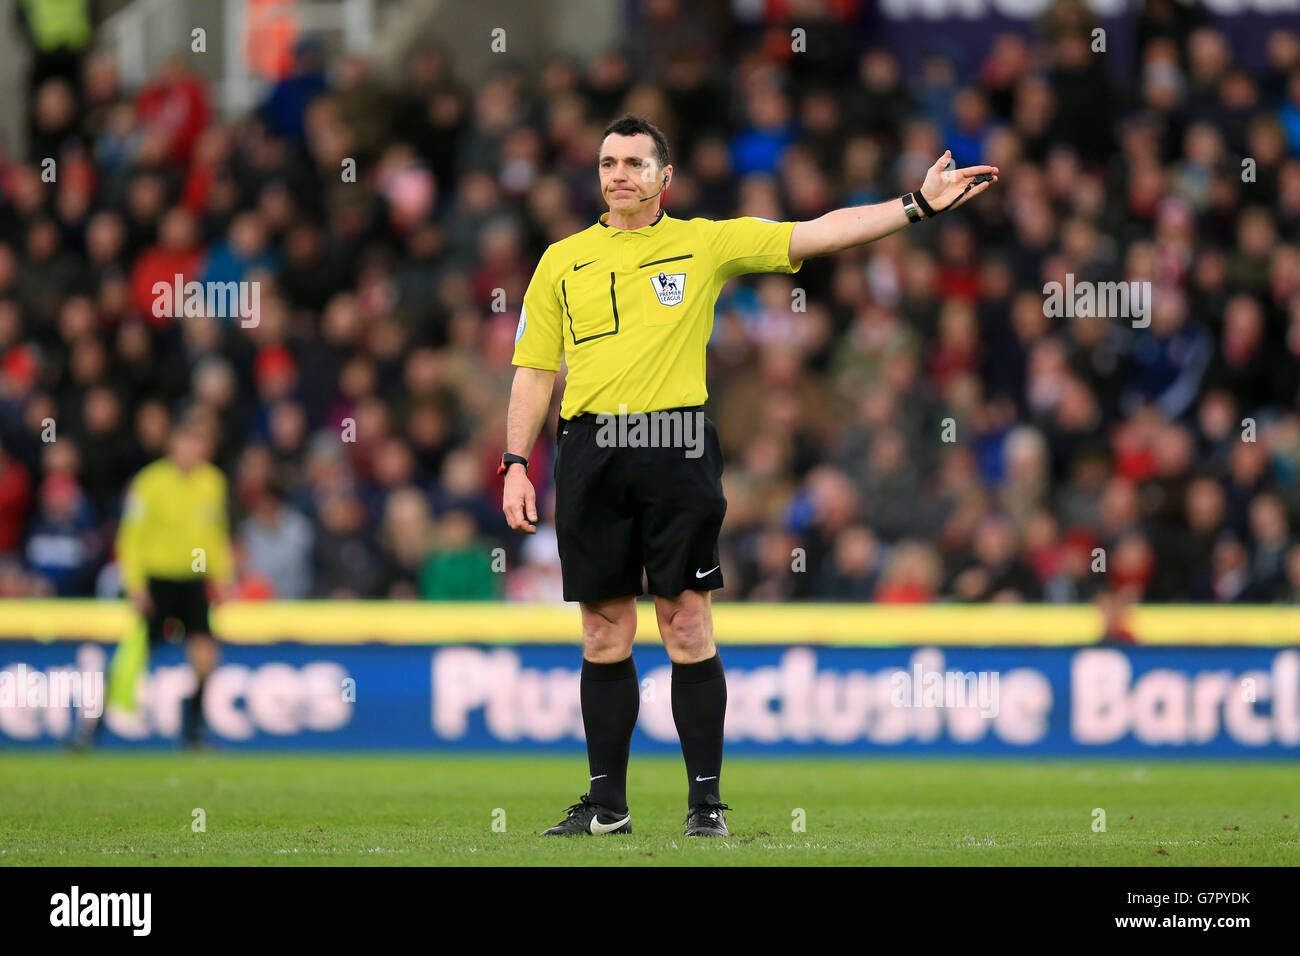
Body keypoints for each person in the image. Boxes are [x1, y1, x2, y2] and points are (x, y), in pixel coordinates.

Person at [501, 115, 997, 836]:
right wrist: (517, 462)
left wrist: (915, 205)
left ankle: (706, 805)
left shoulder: (705, 242)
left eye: (635, 163)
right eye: (608, 162)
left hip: (675, 446)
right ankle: (607, 805)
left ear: (663, 179)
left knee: (685, 621)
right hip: (589, 450)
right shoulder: (561, 261)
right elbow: (533, 370)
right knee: (603, 629)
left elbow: (816, 232)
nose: (618, 174)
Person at [79, 412, 232, 748]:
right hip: (157, 583)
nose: (192, 450)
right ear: (172, 445)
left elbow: (217, 535)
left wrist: (222, 578)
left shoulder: (213, 482)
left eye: (198, 443)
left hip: (193, 583)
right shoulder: (150, 483)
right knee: (131, 659)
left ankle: (192, 729)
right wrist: (135, 586)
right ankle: (92, 729)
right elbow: (130, 538)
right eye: (186, 443)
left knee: (206, 658)